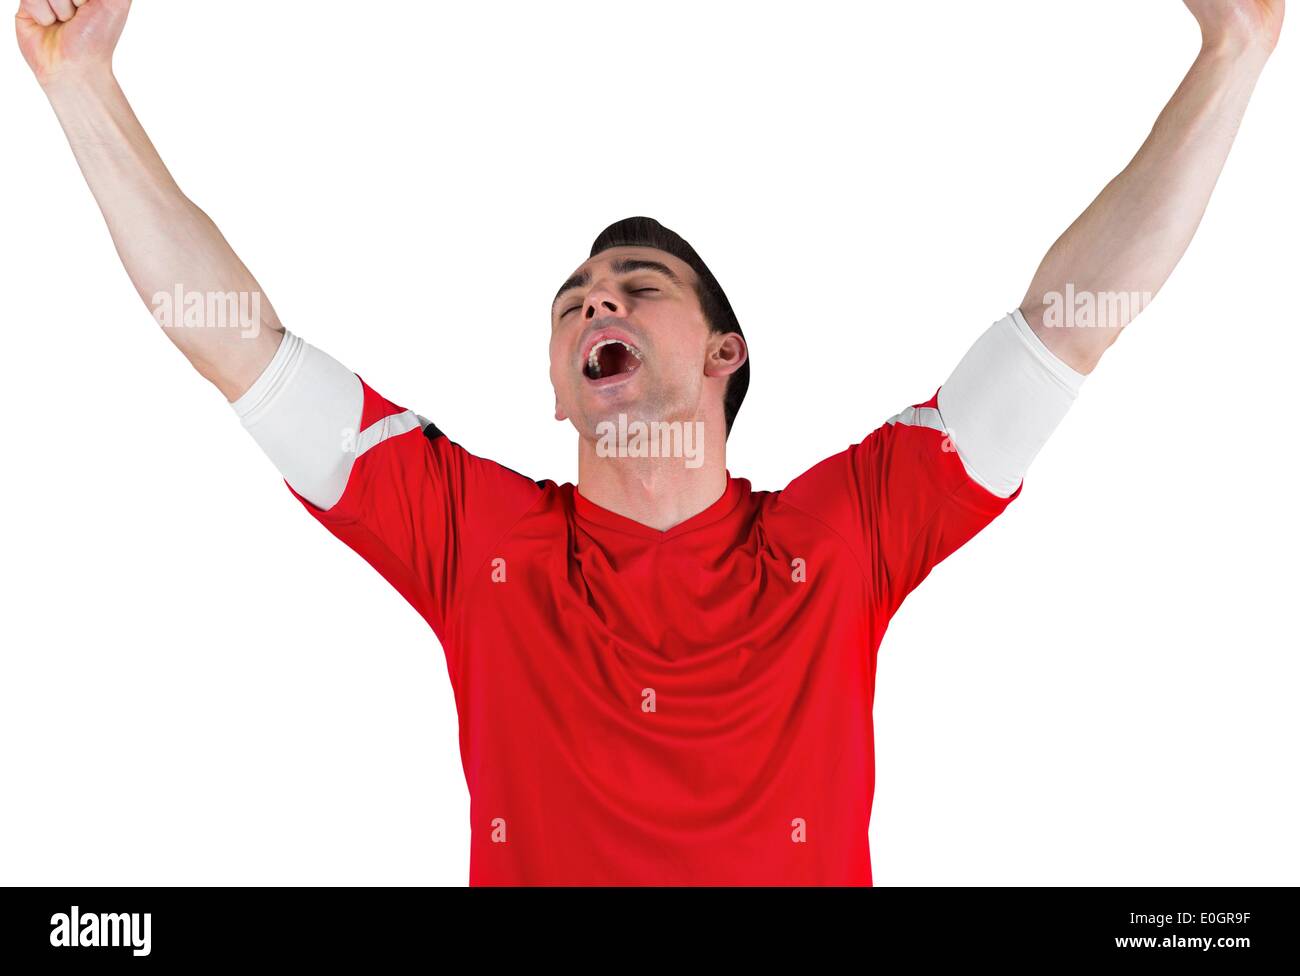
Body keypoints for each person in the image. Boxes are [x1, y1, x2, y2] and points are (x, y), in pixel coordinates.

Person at [15, 0, 1285, 885]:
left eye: (635, 284)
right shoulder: (476, 540)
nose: (594, 302)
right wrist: (82, 89)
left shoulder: (846, 535)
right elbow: (235, 341)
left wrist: (1236, 50)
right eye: (572, 300)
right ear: (559, 393)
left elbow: (1068, 324)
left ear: (725, 354)